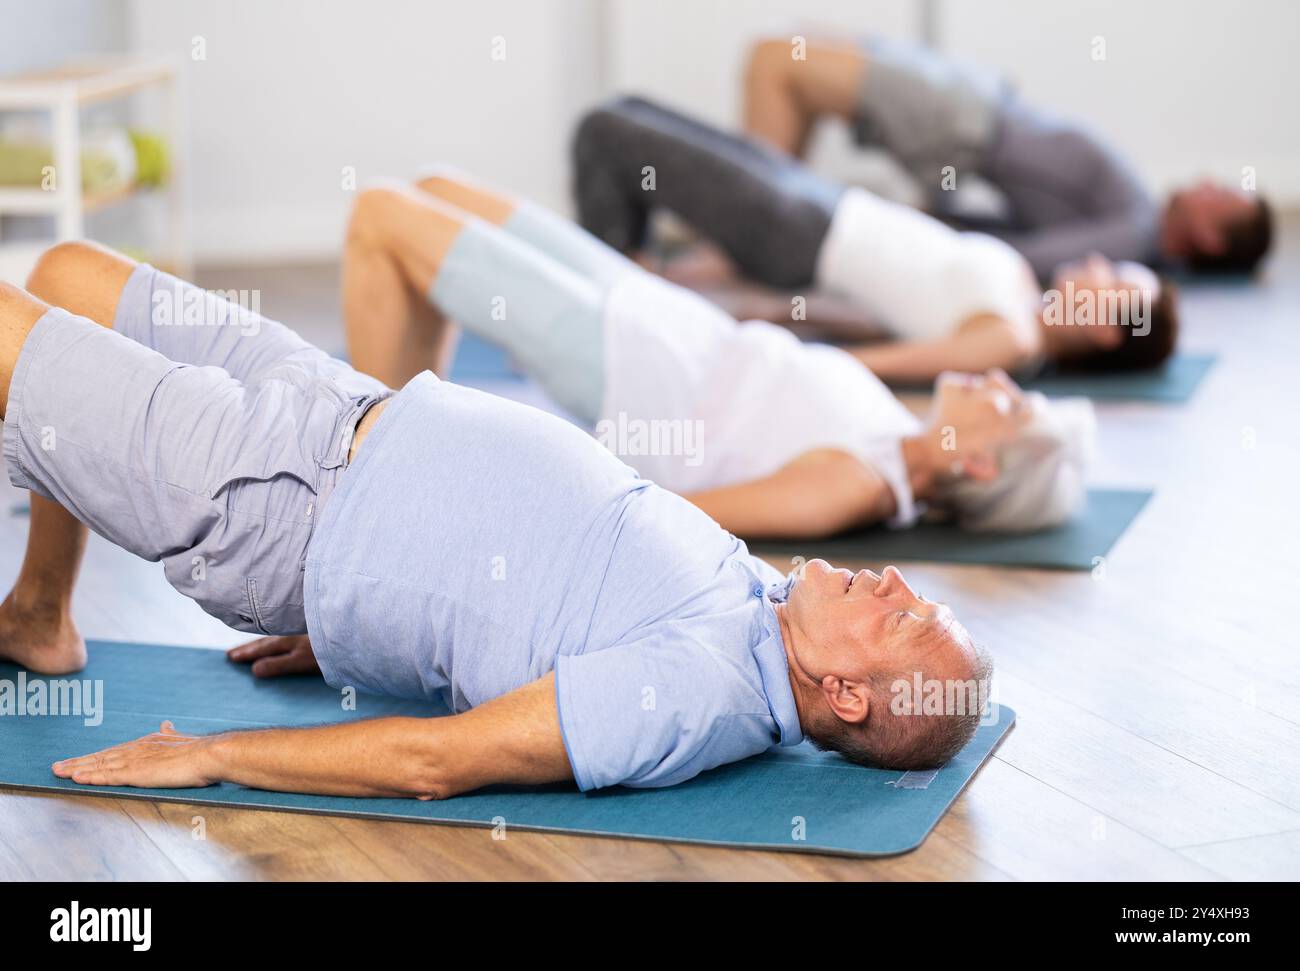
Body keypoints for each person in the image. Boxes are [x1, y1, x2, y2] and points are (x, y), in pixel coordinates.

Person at [0, 240, 992, 799]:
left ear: (847, 697)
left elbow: (437, 755)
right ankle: (40, 611)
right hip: (334, 404)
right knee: (68, 275)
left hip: (268, 494)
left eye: (903, 618)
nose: (896, 582)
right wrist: (358, 629)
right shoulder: (758, 607)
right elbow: (526, 597)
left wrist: (215, 752)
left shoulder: (694, 689)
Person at [342, 172, 1095, 543]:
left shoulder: (854, 484)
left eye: (1014, 405)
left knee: (381, 214)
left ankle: (363, 502)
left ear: (985, 465)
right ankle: (403, 449)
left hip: (622, 362)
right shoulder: (894, 431)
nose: (1001, 381)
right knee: (439, 188)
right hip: (652, 309)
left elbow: (664, 516)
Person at [573, 96, 1179, 385]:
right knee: (627, 114)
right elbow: (882, 317)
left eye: (1116, 278)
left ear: (1104, 328)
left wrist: (780, 368)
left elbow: (875, 364)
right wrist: (751, 299)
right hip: (819, 202)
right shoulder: (1021, 294)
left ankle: (601, 306)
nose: (1101, 261)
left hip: (797, 229)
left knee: (606, 132)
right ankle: (620, 287)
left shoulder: (1011, 338)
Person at [741, 35, 1273, 279]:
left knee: (776, 62)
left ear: (1209, 237)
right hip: (968, 105)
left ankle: (752, 230)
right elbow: (1026, 229)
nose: (1207, 180)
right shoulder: (1136, 214)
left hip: (960, 119)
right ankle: (758, 228)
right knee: (792, 72)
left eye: (1219, 194)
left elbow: (1032, 256)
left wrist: (933, 227)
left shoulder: (1135, 233)